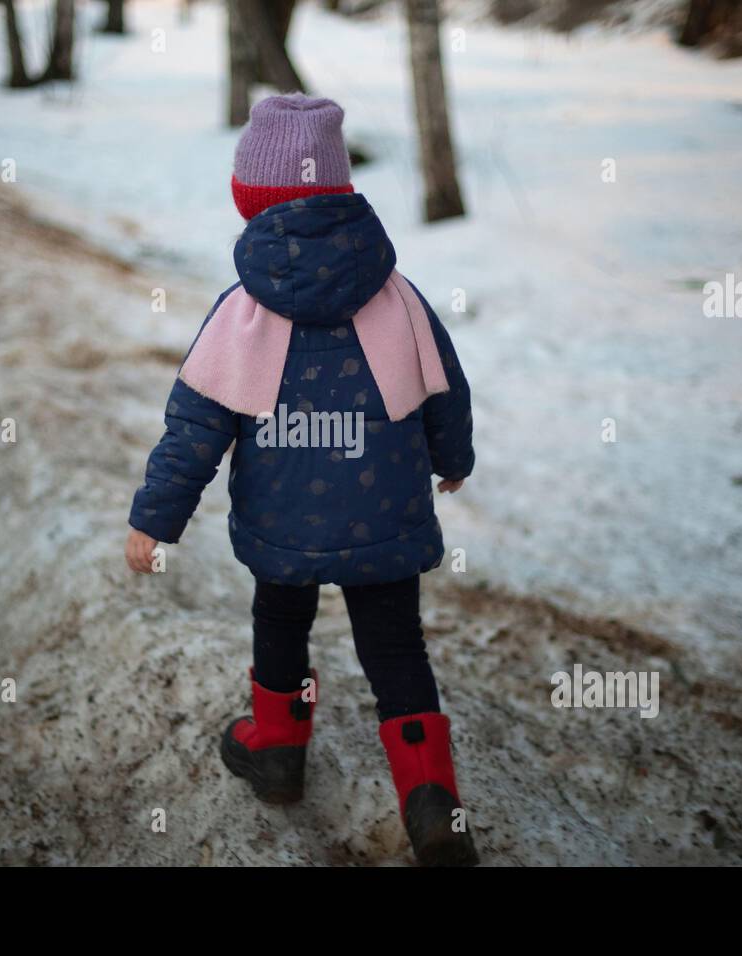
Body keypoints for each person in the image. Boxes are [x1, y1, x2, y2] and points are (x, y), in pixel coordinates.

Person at [125, 94, 478, 866]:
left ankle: (278, 751)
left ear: (250, 201)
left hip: (283, 523)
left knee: (281, 622)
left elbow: (196, 427)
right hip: (385, 518)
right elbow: (445, 388)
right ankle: (431, 797)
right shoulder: (398, 296)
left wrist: (155, 517)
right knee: (396, 646)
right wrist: (453, 460)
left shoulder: (240, 313)